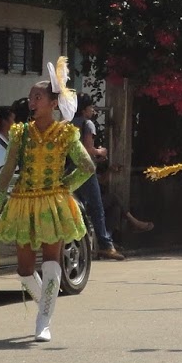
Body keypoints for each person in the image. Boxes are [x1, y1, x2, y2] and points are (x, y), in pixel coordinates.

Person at [0, 58, 95, 339]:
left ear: (53, 103)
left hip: (53, 203)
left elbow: (88, 167)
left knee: (51, 262)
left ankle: (44, 321)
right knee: (24, 270)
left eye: (38, 97)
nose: (32, 102)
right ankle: (45, 308)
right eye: (30, 97)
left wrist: (64, 188)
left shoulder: (66, 134)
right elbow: (8, 170)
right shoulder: (20, 134)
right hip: (23, 202)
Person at [72, 100, 124, 261]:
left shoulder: (66, 124)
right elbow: (87, 149)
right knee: (96, 207)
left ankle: (81, 244)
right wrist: (100, 151)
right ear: (85, 109)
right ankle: (105, 245)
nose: (93, 111)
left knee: (76, 209)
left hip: (69, 171)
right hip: (85, 171)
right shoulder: (88, 124)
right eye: (91, 108)